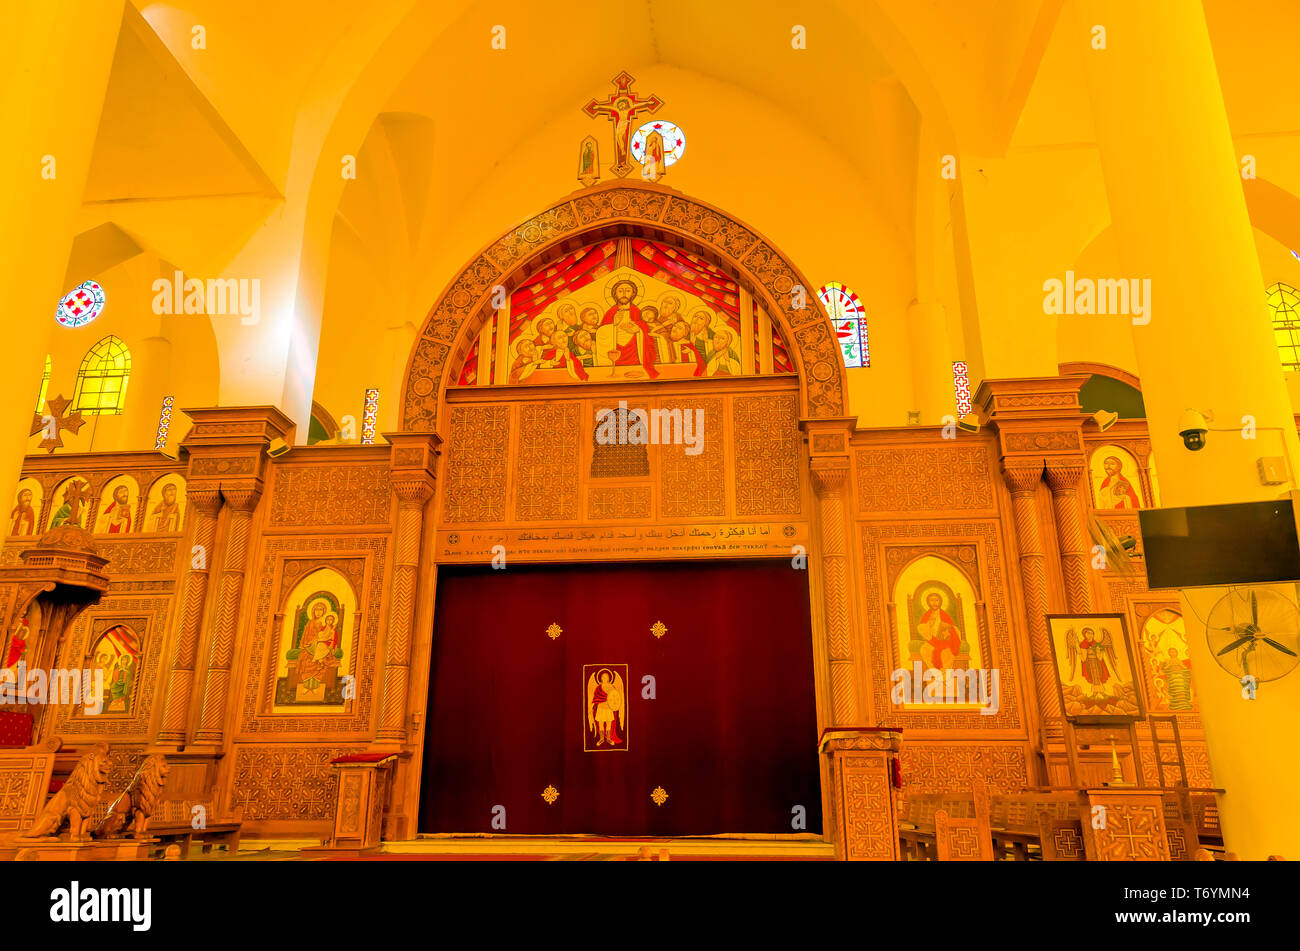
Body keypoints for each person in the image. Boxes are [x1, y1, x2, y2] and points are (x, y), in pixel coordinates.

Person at [915, 592, 963, 669]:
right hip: (932, 641)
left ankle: (945, 675)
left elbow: (952, 629)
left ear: (940, 602)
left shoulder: (944, 615)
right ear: (928, 602)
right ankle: (935, 672)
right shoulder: (927, 615)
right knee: (924, 650)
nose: (934, 603)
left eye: (936, 600)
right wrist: (930, 624)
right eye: (932, 600)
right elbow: (922, 629)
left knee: (947, 653)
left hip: (945, 641)